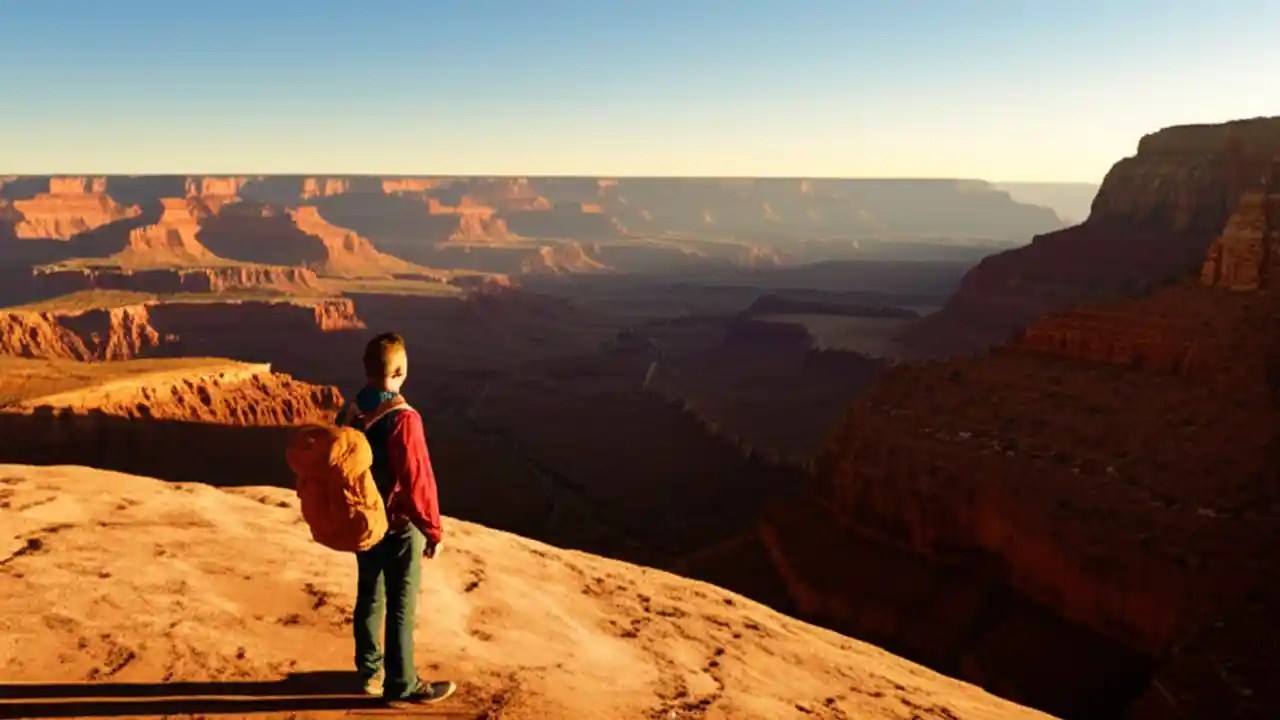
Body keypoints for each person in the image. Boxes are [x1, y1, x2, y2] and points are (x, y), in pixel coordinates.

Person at [340, 332, 455, 705]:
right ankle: (402, 683)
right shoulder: (404, 420)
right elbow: (417, 480)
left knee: (369, 595)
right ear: (402, 370)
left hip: (365, 520)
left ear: (366, 370)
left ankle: (369, 672)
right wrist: (433, 531)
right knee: (401, 605)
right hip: (401, 526)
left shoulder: (350, 411)